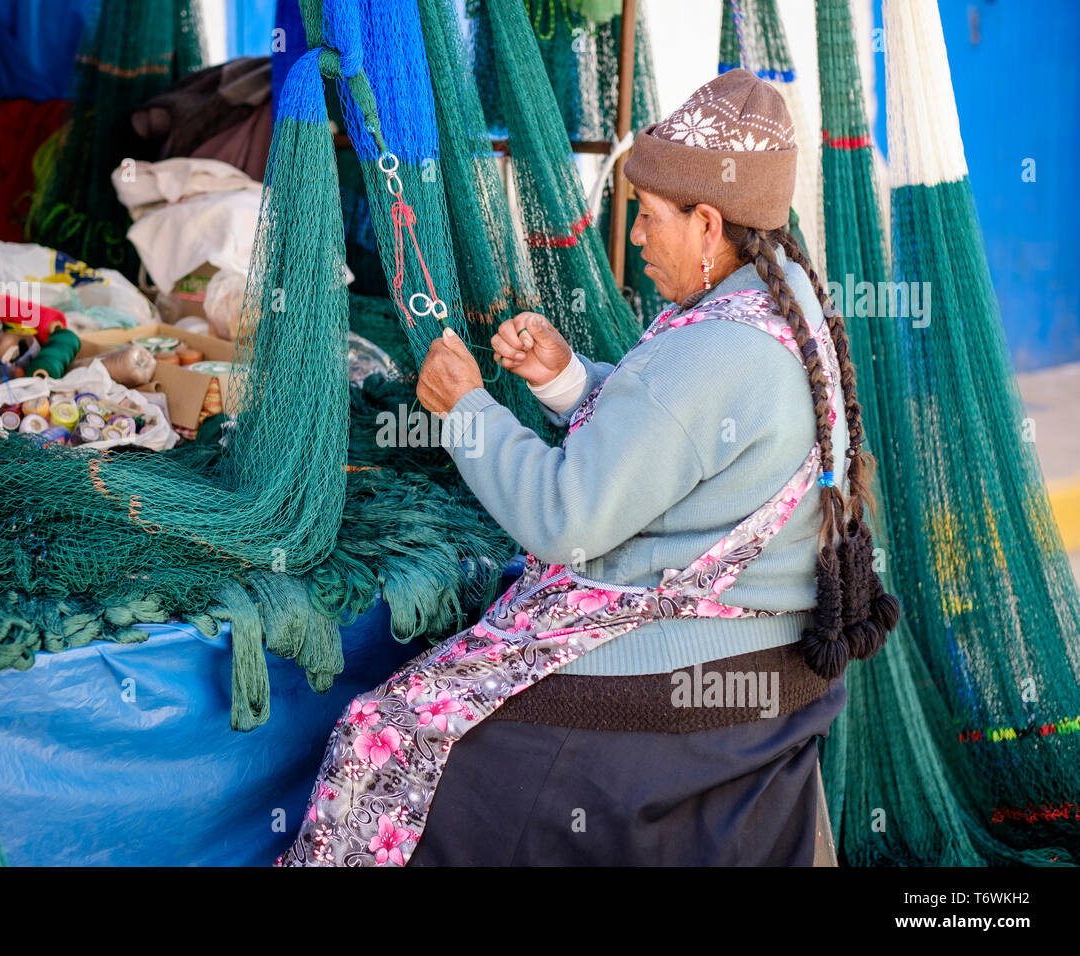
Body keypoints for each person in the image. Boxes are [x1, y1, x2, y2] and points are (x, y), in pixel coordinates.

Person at [278, 68, 895, 867]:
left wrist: (467, 409)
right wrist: (568, 380)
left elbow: (565, 520)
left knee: (382, 734)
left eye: (648, 215)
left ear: (709, 224)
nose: (635, 237)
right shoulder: (785, 306)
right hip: (772, 659)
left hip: (688, 666)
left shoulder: (717, 348)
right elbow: (678, 440)